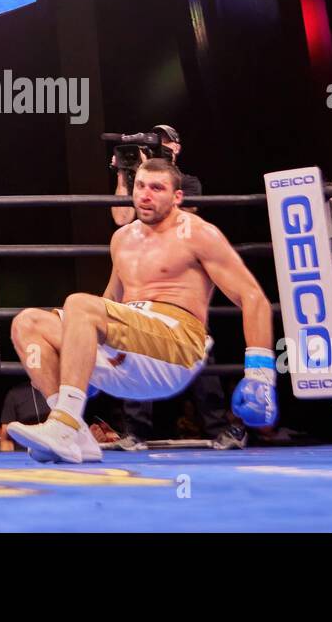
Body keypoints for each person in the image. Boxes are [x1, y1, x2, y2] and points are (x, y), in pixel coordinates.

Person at [8, 159, 277, 463]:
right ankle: (75, 432)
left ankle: (64, 424)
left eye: (157, 188)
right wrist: (76, 350)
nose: (145, 195)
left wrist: (260, 374)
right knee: (27, 323)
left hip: (176, 344)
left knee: (79, 303)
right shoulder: (122, 238)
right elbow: (109, 300)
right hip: (129, 346)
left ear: (177, 197)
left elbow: (253, 297)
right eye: (140, 186)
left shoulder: (199, 234)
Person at [108, 127, 237, 450]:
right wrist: (126, 175)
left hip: (180, 290)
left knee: (200, 358)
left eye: (161, 143)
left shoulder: (185, 183)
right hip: (140, 288)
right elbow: (122, 218)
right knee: (132, 353)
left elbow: (184, 218)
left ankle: (219, 427)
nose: (155, 148)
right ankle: (135, 432)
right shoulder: (139, 187)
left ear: (175, 147)